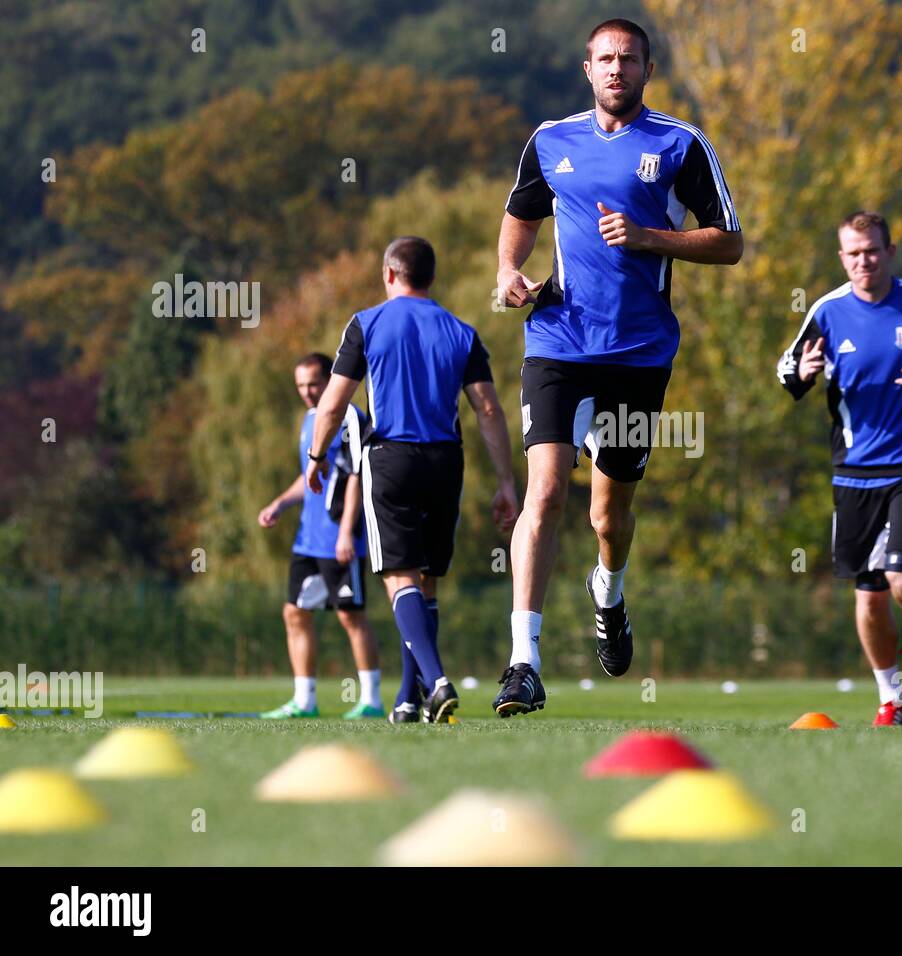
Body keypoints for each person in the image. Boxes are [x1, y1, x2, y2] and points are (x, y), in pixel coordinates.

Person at [492, 17, 742, 716]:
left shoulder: (680, 144)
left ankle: (609, 589)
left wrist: (649, 237)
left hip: (638, 353)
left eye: (628, 60)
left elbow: (731, 244)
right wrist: (511, 272)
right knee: (544, 493)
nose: (615, 70)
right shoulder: (551, 140)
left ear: (647, 70)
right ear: (586, 67)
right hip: (558, 341)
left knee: (610, 516)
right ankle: (524, 663)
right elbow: (521, 214)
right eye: (604, 59)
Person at [777, 211, 902, 726]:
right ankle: (891, 698)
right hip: (853, 469)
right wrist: (801, 372)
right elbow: (787, 369)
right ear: (842, 258)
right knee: (869, 599)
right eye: (853, 252)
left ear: (890, 252)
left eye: (872, 250)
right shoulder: (826, 311)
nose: (863, 260)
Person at [306, 236, 519, 724]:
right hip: (446, 461)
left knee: (399, 576)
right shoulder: (462, 331)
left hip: (392, 459)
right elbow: (487, 408)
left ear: (388, 274)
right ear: (432, 278)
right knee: (426, 581)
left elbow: (333, 403)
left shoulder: (366, 324)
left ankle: (437, 679)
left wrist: (318, 456)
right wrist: (506, 482)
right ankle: (408, 698)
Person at [257, 353, 383, 719]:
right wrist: (280, 503)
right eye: (300, 386)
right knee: (294, 612)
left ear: (331, 378)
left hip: (340, 539)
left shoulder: (350, 419)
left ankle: (371, 701)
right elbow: (311, 475)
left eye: (313, 383)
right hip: (307, 539)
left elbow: (358, 475)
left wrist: (346, 532)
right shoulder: (310, 420)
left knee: (350, 616)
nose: (307, 392)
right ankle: (304, 700)